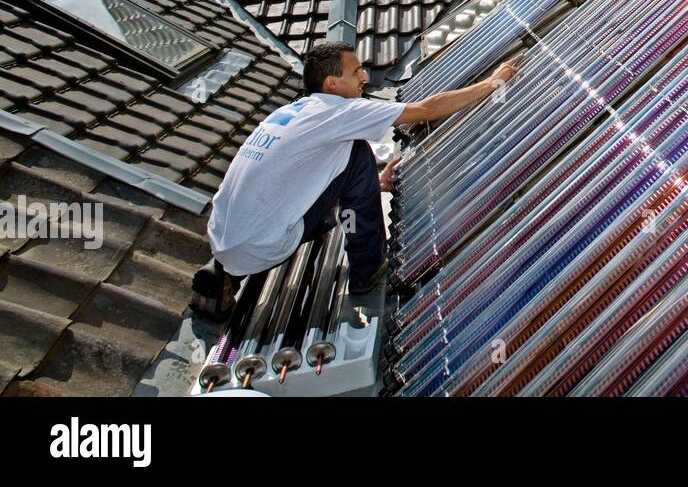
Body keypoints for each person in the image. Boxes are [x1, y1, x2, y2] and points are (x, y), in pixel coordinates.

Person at [191, 41, 519, 318]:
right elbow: (427, 109)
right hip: (265, 244)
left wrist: (371, 185)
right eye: (355, 72)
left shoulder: (288, 112)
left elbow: (298, 177)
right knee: (358, 151)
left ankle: (223, 273)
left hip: (224, 238)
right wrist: (491, 83)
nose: (364, 76)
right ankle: (367, 270)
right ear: (331, 84)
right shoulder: (338, 112)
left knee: (343, 159)